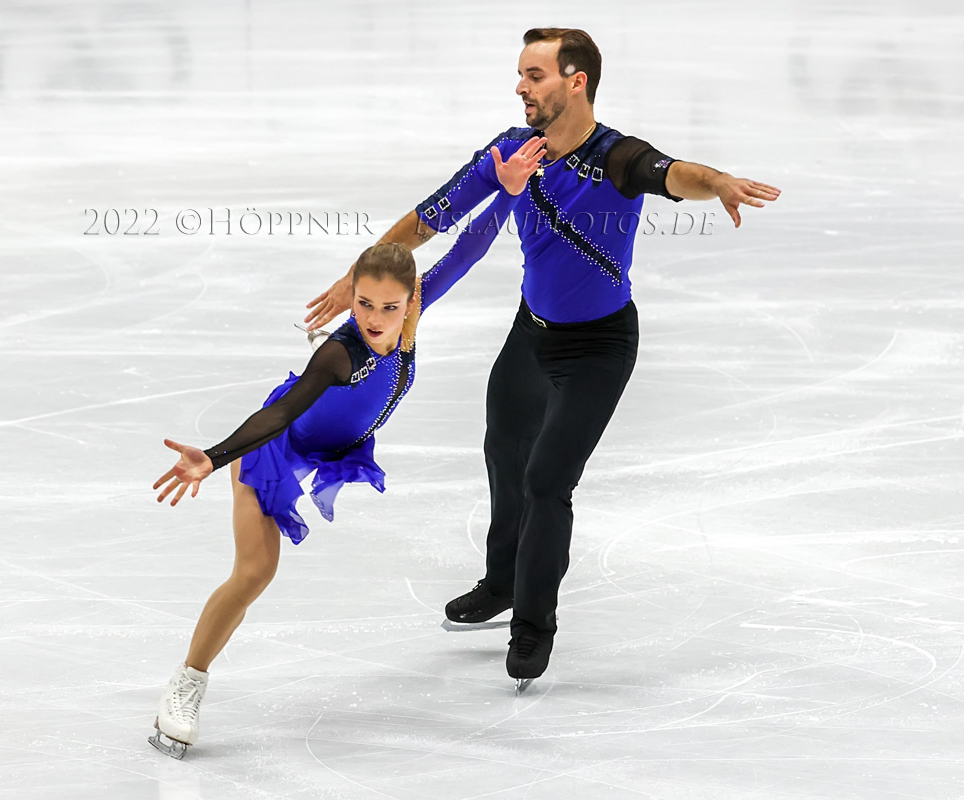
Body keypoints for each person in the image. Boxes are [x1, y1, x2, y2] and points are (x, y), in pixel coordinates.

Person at [304, 27, 781, 689]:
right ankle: (501, 582)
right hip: (531, 335)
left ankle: (533, 625)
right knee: (504, 449)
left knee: (548, 483)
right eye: (521, 75)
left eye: (534, 74)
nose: (521, 87)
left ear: (575, 81)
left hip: (599, 349)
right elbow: (429, 219)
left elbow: (674, 175)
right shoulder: (509, 153)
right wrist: (360, 276)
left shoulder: (617, 157)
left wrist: (720, 181)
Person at [144, 140, 545, 759]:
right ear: (349, 296)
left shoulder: (411, 315)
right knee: (255, 573)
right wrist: (216, 455)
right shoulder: (340, 354)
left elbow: (466, 251)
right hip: (274, 446)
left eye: (389, 305)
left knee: (258, 571)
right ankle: (187, 682)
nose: (377, 319)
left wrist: (506, 191)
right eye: (363, 304)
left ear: (410, 300)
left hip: (332, 448)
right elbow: (281, 410)